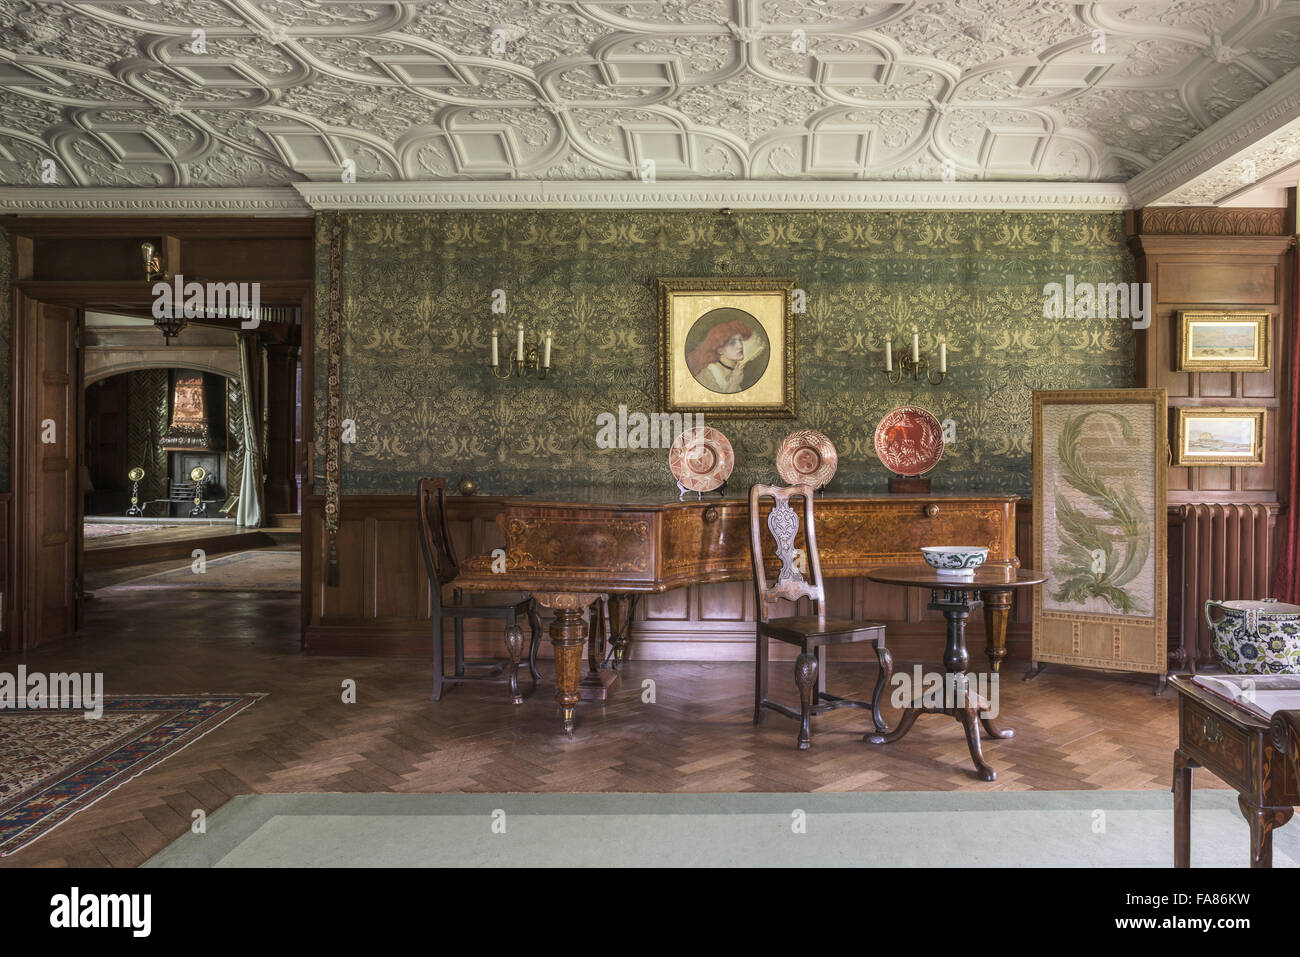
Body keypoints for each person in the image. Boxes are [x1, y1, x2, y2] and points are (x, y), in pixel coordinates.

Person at [686, 318, 764, 394]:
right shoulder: (705, 377)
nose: (740, 346)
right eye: (732, 343)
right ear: (720, 350)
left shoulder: (735, 374)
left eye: (740, 340)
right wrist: (734, 384)